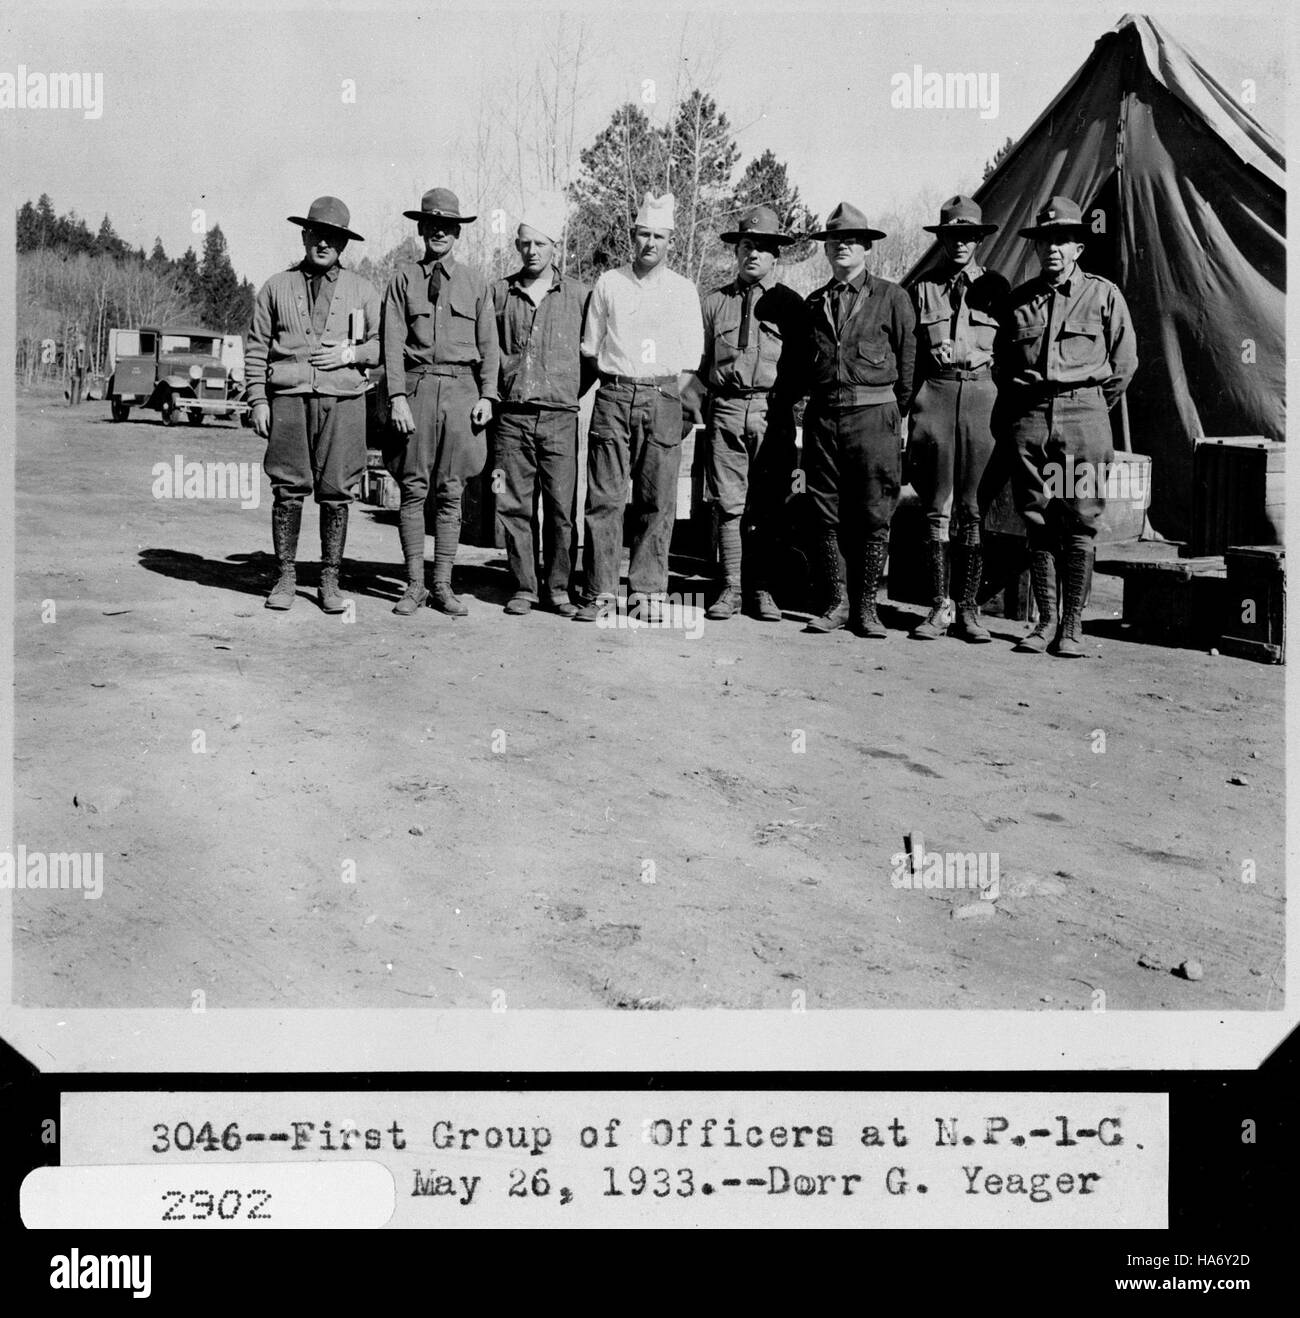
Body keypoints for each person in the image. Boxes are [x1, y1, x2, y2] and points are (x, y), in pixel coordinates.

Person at [994, 195, 1137, 657]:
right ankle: (1043, 624)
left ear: (1078, 247)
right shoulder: (1019, 301)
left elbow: (1124, 363)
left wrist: (1091, 408)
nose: (1053, 248)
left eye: (1063, 240)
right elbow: (1001, 364)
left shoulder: (1103, 294)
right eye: (1045, 241)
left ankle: (1071, 627)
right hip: (1031, 418)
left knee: (1079, 521)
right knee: (1036, 518)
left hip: (1083, 417)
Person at [573, 192, 705, 623]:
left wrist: (661, 392)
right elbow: (592, 348)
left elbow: (691, 359)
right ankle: (600, 593)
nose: (650, 243)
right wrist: (624, 383)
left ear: (671, 241)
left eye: (658, 236)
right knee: (605, 498)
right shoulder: (609, 282)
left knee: (657, 500)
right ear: (633, 236)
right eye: (643, 234)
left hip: (664, 396)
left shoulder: (684, 290)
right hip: (614, 394)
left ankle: (647, 593)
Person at [245, 196, 380, 613]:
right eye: (316, 234)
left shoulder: (363, 290)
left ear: (344, 244)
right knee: (287, 487)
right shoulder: (275, 287)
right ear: (305, 235)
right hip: (289, 399)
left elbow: (382, 347)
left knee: (338, 491)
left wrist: (350, 356)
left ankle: (329, 581)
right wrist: (257, 400)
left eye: (333, 237)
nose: (323, 243)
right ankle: (285, 577)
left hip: (344, 401)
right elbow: (255, 348)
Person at [381, 188, 499, 617]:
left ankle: (443, 585)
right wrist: (396, 396)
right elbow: (391, 343)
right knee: (413, 489)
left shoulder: (475, 282)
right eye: (431, 225)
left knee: (452, 491)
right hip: (415, 390)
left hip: (462, 393)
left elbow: (490, 345)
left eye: (447, 226)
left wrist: (488, 395)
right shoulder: (403, 279)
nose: (439, 232)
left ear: (458, 232)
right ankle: (414, 585)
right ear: (420, 228)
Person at [800, 202, 916, 636]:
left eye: (851, 240)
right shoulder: (814, 303)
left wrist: (891, 414)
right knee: (825, 510)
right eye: (834, 241)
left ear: (867, 247)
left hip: (874, 417)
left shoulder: (892, 297)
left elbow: (908, 365)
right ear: (826, 250)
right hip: (824, 418)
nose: (842, 246)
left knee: (873, 512)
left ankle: (867, 608)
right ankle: (838, 604)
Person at [698, 205, 808, 621]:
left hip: (771, 411)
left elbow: (802, 366)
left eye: (763, 247)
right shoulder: (713, 304)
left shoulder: (791, 305)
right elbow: (700, 364)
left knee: (769, 504)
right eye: (747, 245)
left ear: (775, 255)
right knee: (728, 503)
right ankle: (730, 588)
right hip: (725, 408)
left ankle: (762, 589)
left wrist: (783, 407)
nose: (754, 254)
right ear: (736, 251)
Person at [906, 196, 1009, 641]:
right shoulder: (923, 289)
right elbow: (910, 358)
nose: (961, 243)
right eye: (953, 235)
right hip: (937, 393)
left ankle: (969, 608)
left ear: (979, 240)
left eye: (969, 235)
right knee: (935, 506)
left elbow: (1010, 354)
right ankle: (937, 607)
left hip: (982, 396)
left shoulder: (998, 288)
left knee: (972, 508)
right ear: (943, 239)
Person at [490, 194, 592, 617]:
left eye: (540, 244)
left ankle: (559, 588)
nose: (531, 251)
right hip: (511, 418)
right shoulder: (499, 294)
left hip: (560, 418)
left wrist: (564, 391)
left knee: (560, 507)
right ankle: (523, 587)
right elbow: (488, 351)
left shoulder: (580, 297)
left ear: (555, 247)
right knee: (512, 504)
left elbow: (593, 359)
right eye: (524, 243)